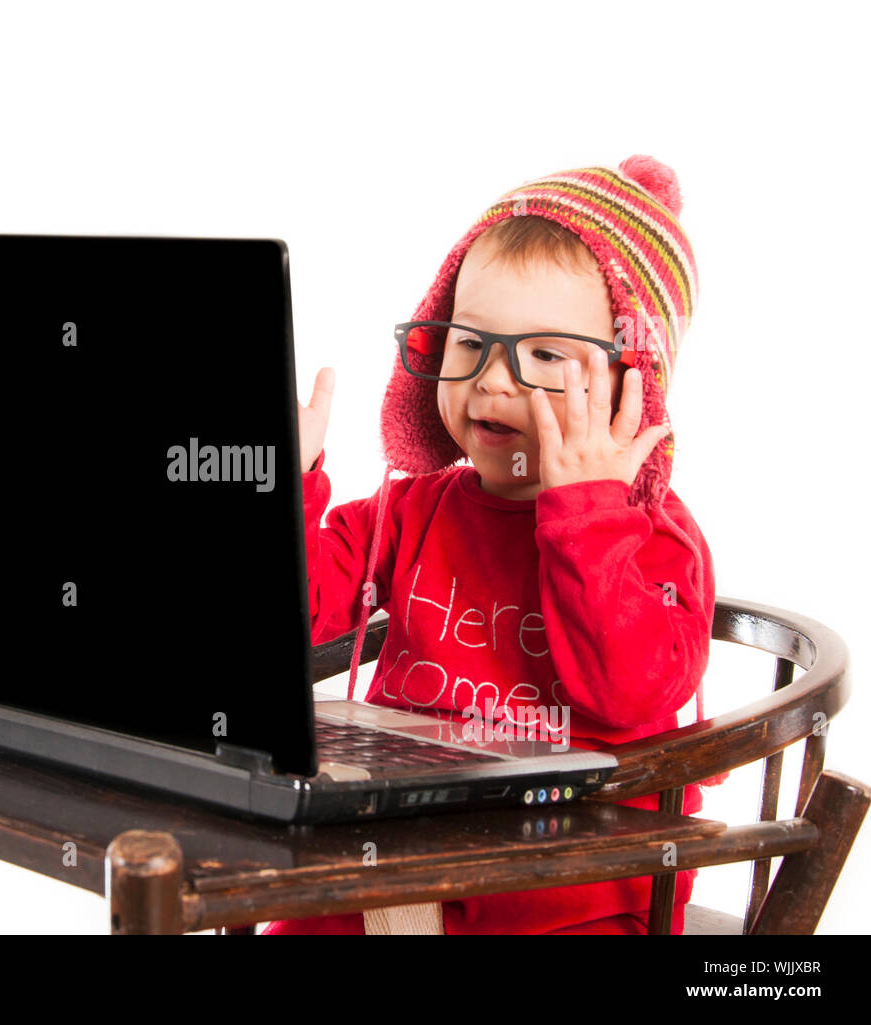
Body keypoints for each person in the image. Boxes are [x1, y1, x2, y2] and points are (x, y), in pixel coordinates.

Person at [262, 155, 726, 935]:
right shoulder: (409, 510)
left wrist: (587, 513)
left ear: (630, 383)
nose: (494, 380)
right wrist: (284, 489)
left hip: (571, 894)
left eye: (544, 354)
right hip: (397, 867)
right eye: (469, 341)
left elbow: (627, 689)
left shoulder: (653, 536)